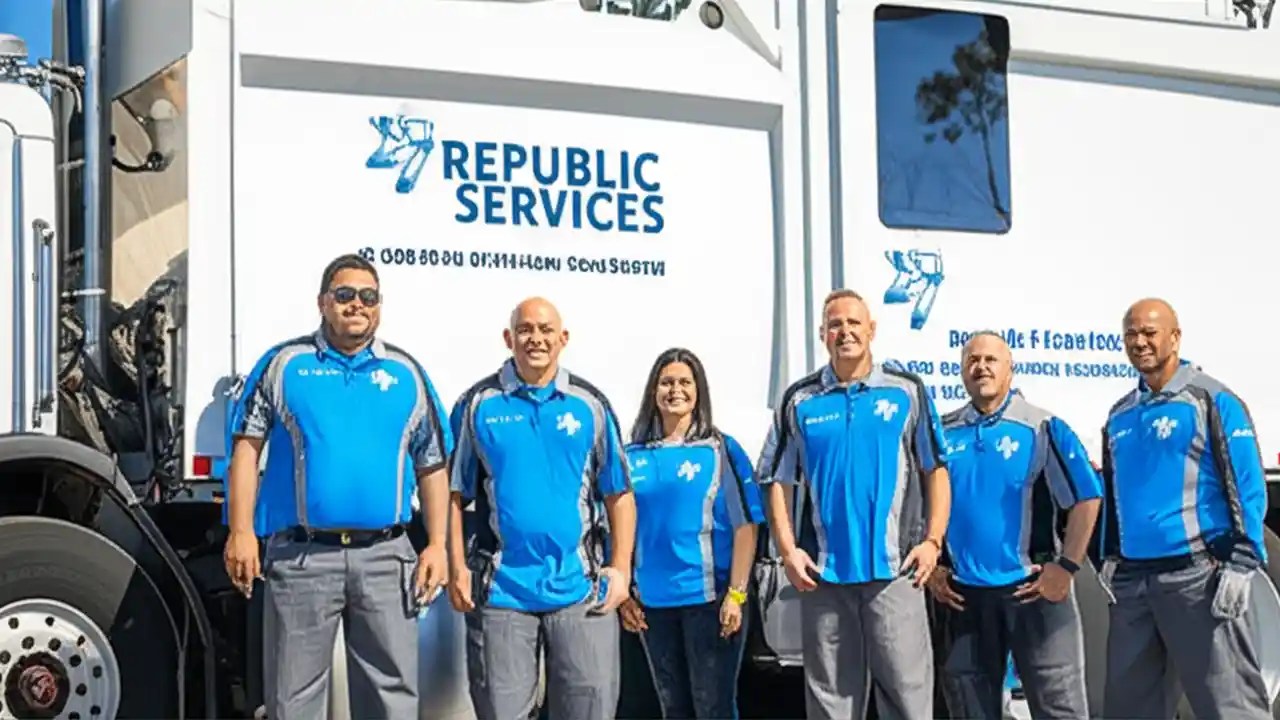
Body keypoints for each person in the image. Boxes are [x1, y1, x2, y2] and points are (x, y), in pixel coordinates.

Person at [222, 253, 453, 720]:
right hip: (303, 559)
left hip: (387, 560)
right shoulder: (285, 365)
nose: (357, 305)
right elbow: (246, 449)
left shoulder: (406, 373)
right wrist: (241, 531)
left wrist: (438, 547)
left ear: (379, 306)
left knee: (392, 699)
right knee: (294, 701)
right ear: (323, 302)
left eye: (368, 297)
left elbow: (432, 465)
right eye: (344, 295)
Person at [755, 288, 953, 720]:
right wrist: (788, 551)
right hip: (825, 577)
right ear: (823, 334)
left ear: (872, 330)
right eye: (835, 324)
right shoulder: (799, 400)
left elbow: (935, 469)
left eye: (853, 323)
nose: (844, 331)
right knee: (830, 703)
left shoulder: (907, 391)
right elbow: (776, 479)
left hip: (896, 573)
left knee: (907, 699)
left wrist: (933, 542)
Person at [446, 297, 636, 720]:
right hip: (502, 592)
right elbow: (453, 495)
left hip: (580, 589)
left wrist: (621, 569)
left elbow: (619, 494)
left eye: (546, 330)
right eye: (526, 330)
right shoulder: (479, 404)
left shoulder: (590, 405)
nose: (536, 339)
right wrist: (456, 564)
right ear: (508, 338)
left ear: (563, 338)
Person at [1097, 298, 1271, 719]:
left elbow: (1246, 483)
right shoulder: (1120, 414)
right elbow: (1117, 491)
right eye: (1131, 334)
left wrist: (1243, 561)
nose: (1139, 342)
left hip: (1198, 577)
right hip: (1134, 584)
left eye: (1149, 333)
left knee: (1229, 705)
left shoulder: (1211, 399)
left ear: (1175, 337)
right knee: (1129, 708)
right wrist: (1111, 555)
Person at [926, 331, 1101, 720]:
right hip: (964, 598)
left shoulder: (1042, 427)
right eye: (972, 360)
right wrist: (935, 567)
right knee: (969, 710)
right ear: (961, 372)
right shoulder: (943, 431)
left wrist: (1067, 566)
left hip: (1033, 591)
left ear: (1010, 370)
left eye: (991, 360)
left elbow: (1088, 497)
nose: (981, 367)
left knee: (1059, 708)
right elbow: (925, 508)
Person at [617, 348, 766, 720]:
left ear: (699, 391)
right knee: (674, 709)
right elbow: (618, 529)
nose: (675, 390)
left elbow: (746, 526)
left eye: (685, 382)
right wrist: (624, 596)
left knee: (713, 707)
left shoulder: (720, 449)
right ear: (654, 391)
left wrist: (736, 594)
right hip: (652, 605)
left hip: (711, 602)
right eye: (666, 382)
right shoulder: (631, 455)